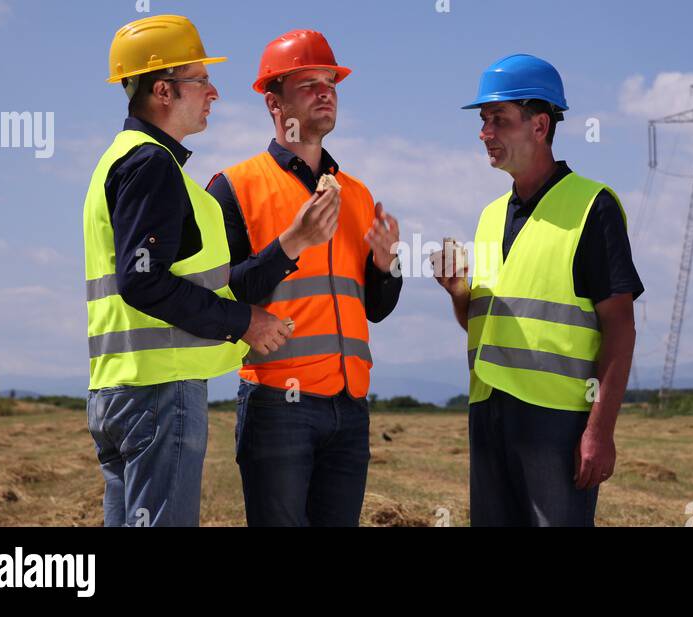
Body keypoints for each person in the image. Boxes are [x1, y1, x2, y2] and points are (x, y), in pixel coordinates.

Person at [83, 15, 292, 526]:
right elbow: (144, 282)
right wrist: (243, 322)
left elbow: (174, 279)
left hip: (117, 392)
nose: (214, 92)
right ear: (163, 91)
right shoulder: (151, 165)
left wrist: (288, 248)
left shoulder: (121, 159)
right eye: (201, 80)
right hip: (159, 395)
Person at [434, 54, 644, 526]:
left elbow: (621, 326)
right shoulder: (490, 216)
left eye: (498, 120)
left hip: (558, 421)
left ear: (539, 125)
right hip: (488, 411)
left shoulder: (592, 206)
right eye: (484, 121)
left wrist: (600, 431)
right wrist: (458, 294)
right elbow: (482, 324)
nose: (485, 133)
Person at [206, 30, 403, 526]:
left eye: (331, 83)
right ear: (274, 101)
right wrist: (291, 243)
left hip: (351, 404)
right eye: (309, 84)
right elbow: (224, 297)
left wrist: (386, 266)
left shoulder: (357, 194)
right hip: (277, 403)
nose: (326, 92)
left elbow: (374, 308)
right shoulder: (233, 187)